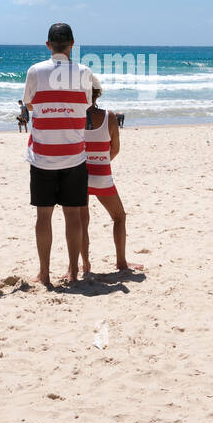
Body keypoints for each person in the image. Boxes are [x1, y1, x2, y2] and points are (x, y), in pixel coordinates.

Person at [23, 23, 96, 288]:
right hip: (75, 155)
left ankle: (44, 273)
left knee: (43, 217)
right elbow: (86, 104)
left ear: (48, 44)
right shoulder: (84, 72)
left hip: (42, 155)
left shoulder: (35, 71)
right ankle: (73, 270)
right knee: (73, 216)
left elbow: (29, 103)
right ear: (72, 44)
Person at [80, 80, 142, 276]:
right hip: (102, 175)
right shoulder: (110, 117)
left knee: (82, 222)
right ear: (98, 94)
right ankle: (122, 262)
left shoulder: (73, 117)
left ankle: (85, 264)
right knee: (119, 217)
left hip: (78, 176)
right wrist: (102, 161)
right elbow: (114, 149)